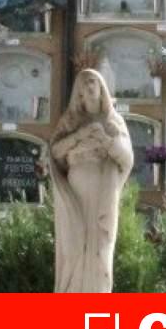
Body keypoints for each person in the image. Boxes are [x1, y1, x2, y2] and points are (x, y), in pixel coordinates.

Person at [49, 69, 133, 292]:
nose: (89, 85)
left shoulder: (114, 121)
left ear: (102, 86)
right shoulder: (70, 121)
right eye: (84, 83)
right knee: (74, 248)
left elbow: (127, 159)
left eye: (93, 81)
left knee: (101, 251)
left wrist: (106, 140)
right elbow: (55, 152)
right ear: (78, 93)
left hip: (104, 192)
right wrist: (79, 136)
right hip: (76, 192)